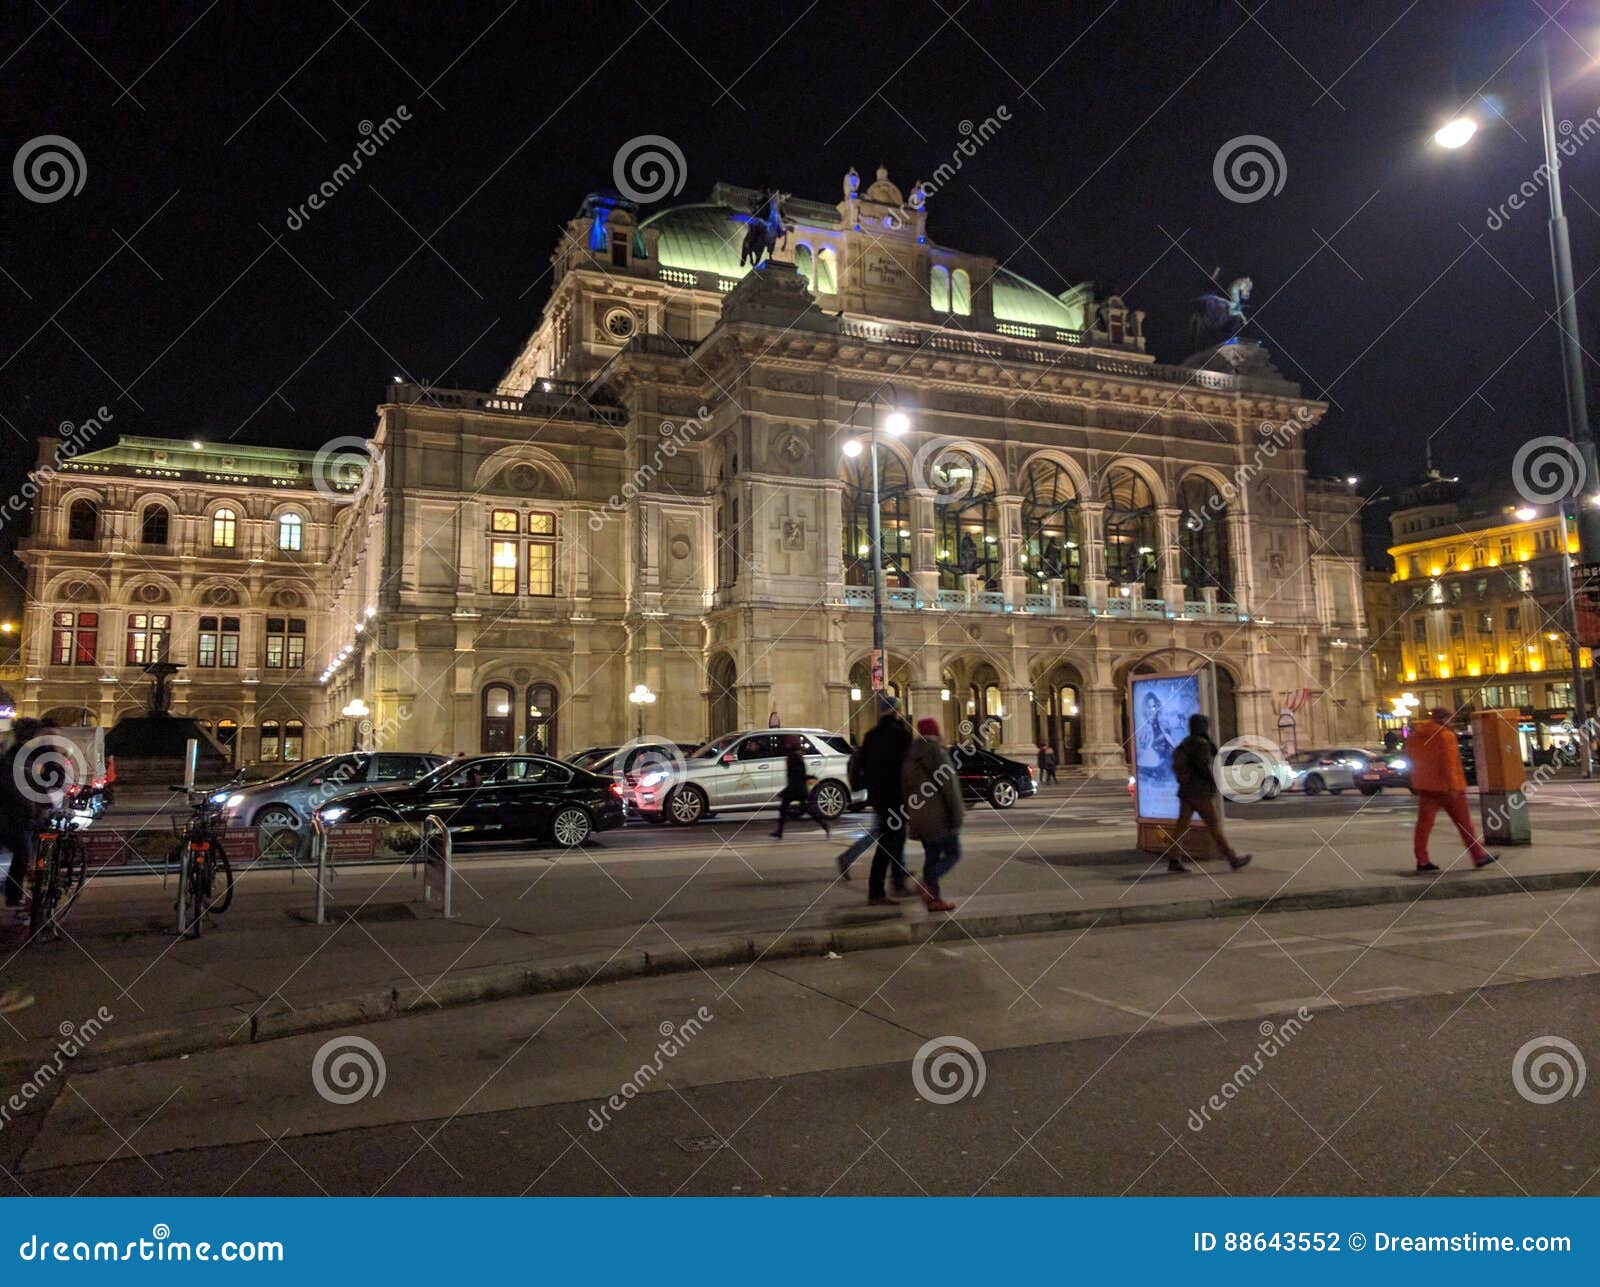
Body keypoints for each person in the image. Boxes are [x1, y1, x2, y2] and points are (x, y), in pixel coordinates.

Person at [1405, 706, 1497, 874]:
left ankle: (1422, 860)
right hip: (1448, 789)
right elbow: (1449, 764)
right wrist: (1454, 786)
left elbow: (1410, 757)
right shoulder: (1445, 736)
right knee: (1465, 824)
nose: (1452, 722)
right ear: (1444, 718)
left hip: (1427, 787)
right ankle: (1478, 856)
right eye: (1451, 718)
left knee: (1423, 825)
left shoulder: (1415, 736)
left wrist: (1418, 780)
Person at [836, 699, 912, 902]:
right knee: (890, 842)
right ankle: (880, 889)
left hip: (878, 797)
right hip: (897, 797)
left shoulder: (871, 735)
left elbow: (862, 764)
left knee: (891, 839)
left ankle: (897, 880)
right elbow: (907, 768)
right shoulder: (901, 735)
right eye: (899, 709)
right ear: (896, 711)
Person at [1169, 713, 1251, 873]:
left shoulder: (1186, 742)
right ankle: (1232, 858)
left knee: (1181, 826)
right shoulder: (1202, 743)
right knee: (1214, 826)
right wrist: (1213, 782)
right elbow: (1204, 767)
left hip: (1185, 791)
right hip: (1199, 792)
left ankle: (1173, 858)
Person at [901, 717, 964, 911]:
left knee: (932, 856)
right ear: (936, 732)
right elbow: (950, 788)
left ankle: (933, 900)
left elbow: (905, 790)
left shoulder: (910, 756)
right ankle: (927, 883)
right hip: (939, 817)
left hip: (919, 816)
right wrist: (957, 815)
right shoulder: (937, 752)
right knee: (954, 853)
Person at [771, 735, 830, 839]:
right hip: (796, 787)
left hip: (796, 788)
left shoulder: (794, 756)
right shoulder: (794, 754)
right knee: (797, 809)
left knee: (788, 809)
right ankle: (824, 825)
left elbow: (799, 773)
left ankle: (825, 825)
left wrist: (808, 777)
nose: (786, 744)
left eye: (788, 742)